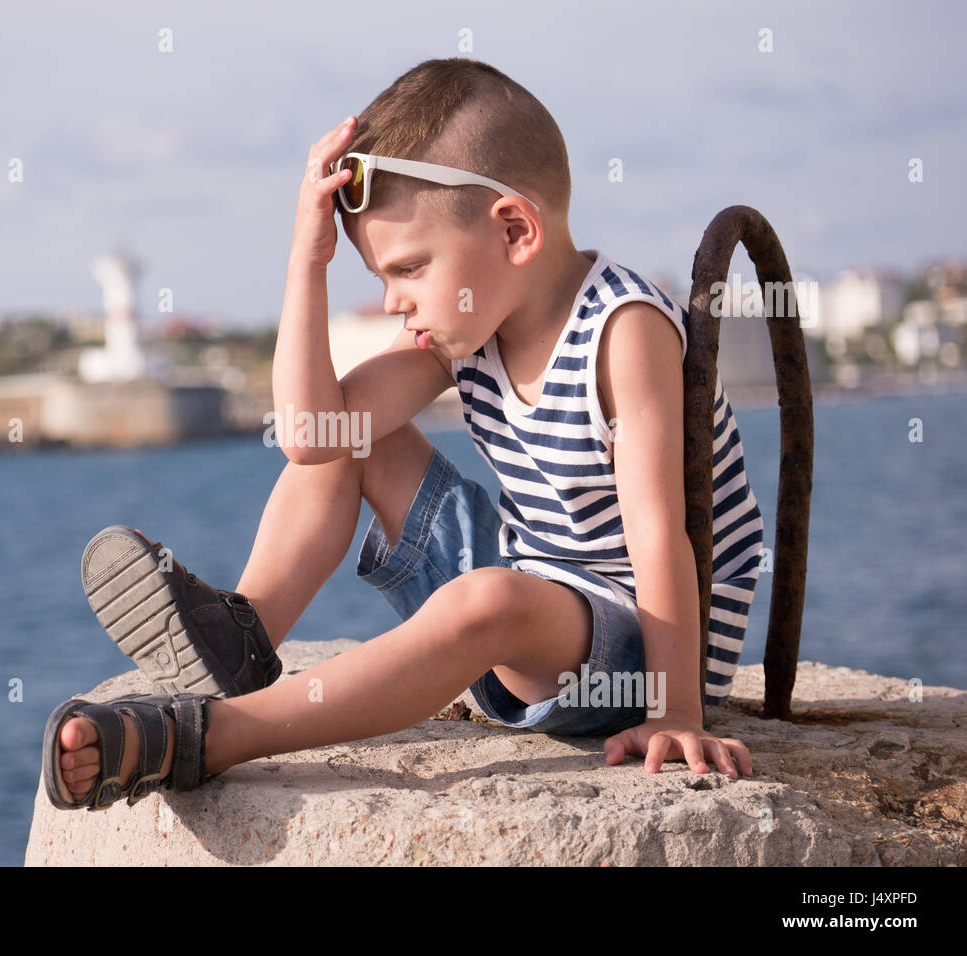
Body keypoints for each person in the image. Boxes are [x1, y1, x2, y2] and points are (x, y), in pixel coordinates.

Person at [41, 57, 761, 812]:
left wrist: (673, 711)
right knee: (364, 437)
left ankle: (211, 735)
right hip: (532, 597)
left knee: (491, 600)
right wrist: (305, 262)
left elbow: (658, 533)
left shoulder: (624, 330)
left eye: (410, 268)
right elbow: (314, 435)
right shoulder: (468, 329)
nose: (392, 301)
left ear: (514, 230)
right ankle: (242, 640)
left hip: (636, 650)